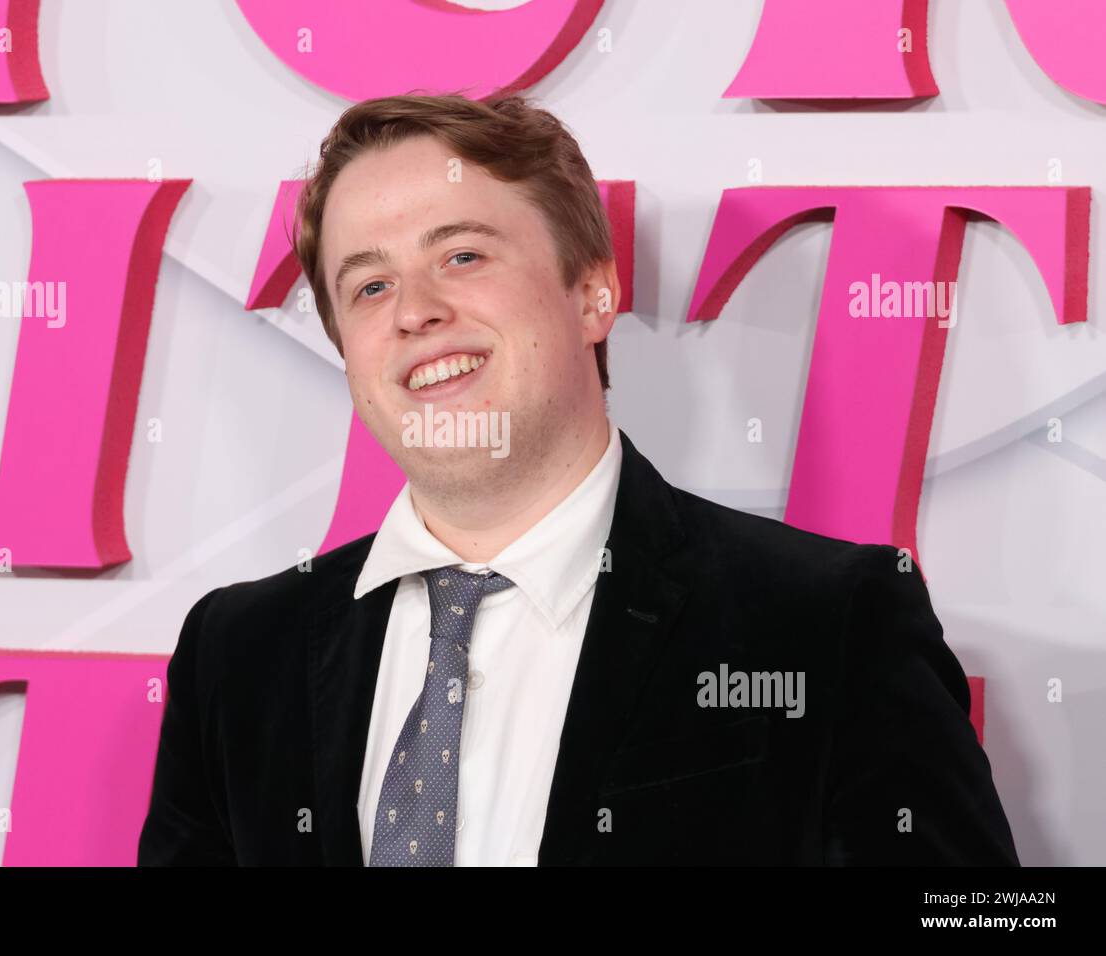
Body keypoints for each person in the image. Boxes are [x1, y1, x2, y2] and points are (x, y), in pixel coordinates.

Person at [137, 93, 1019, 866]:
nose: (415, 311)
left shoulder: (828, 624)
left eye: (463, 256)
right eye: (368, 286)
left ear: (593, 294)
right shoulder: (239, 654)